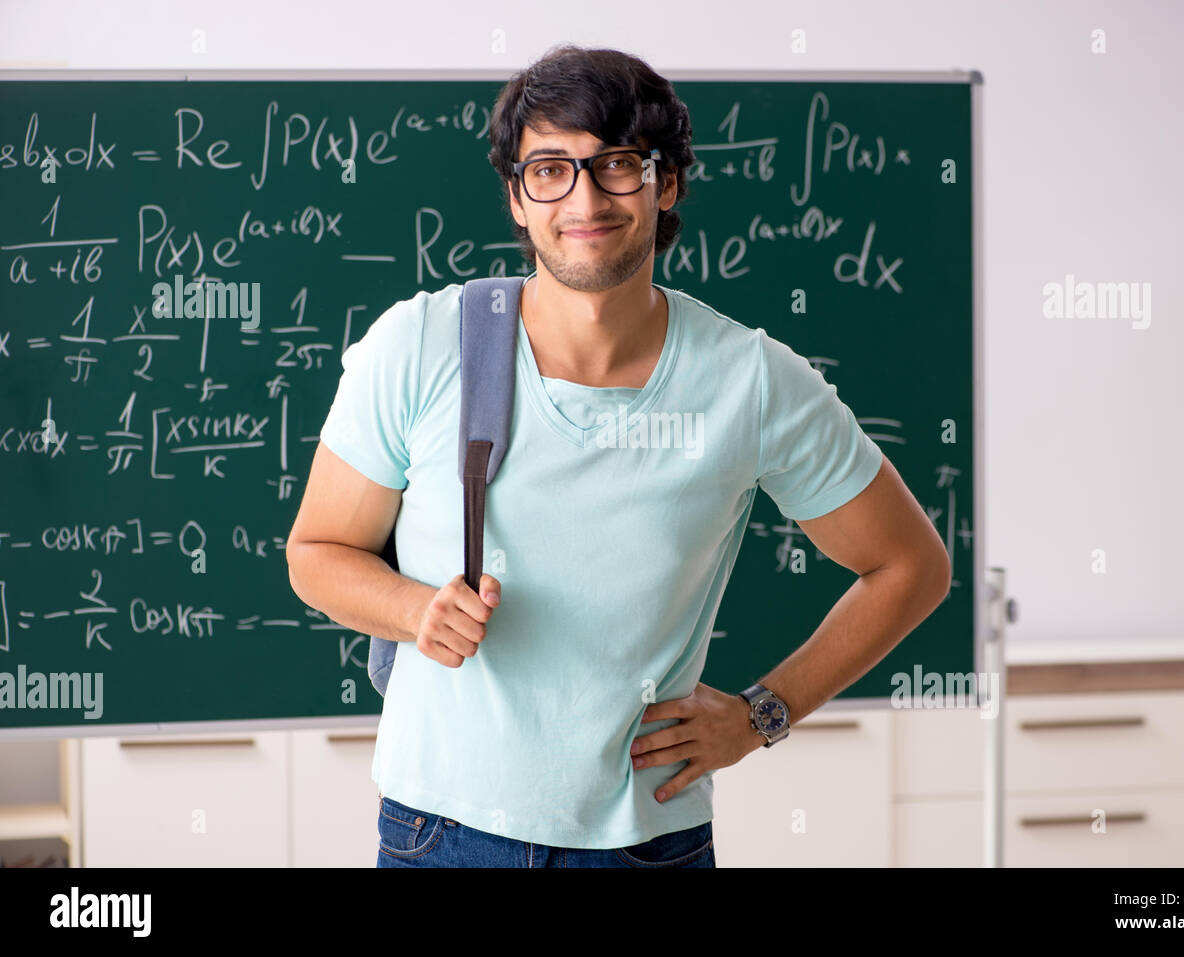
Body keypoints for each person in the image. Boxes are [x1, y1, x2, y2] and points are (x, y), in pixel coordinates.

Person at [285, 44, 950, 868]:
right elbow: (316, 553)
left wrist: (760, 716)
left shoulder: (752, 381)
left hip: (646, 844)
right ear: (518, 198)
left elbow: (910, 566)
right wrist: (415, 612)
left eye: (618, 166)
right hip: (437, 835)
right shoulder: (421, 345)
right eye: (550, 171)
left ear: (666, 184)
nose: (585, 199)